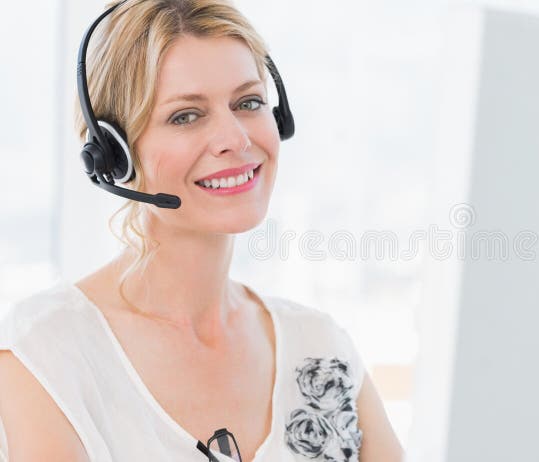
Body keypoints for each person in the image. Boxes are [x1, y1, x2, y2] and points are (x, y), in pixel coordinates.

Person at [0, 1, 404, 461]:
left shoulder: (321, 345)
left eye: (248, 103)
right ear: (114, 155)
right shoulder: (48, 353)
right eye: (186, 116)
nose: (236, 138)